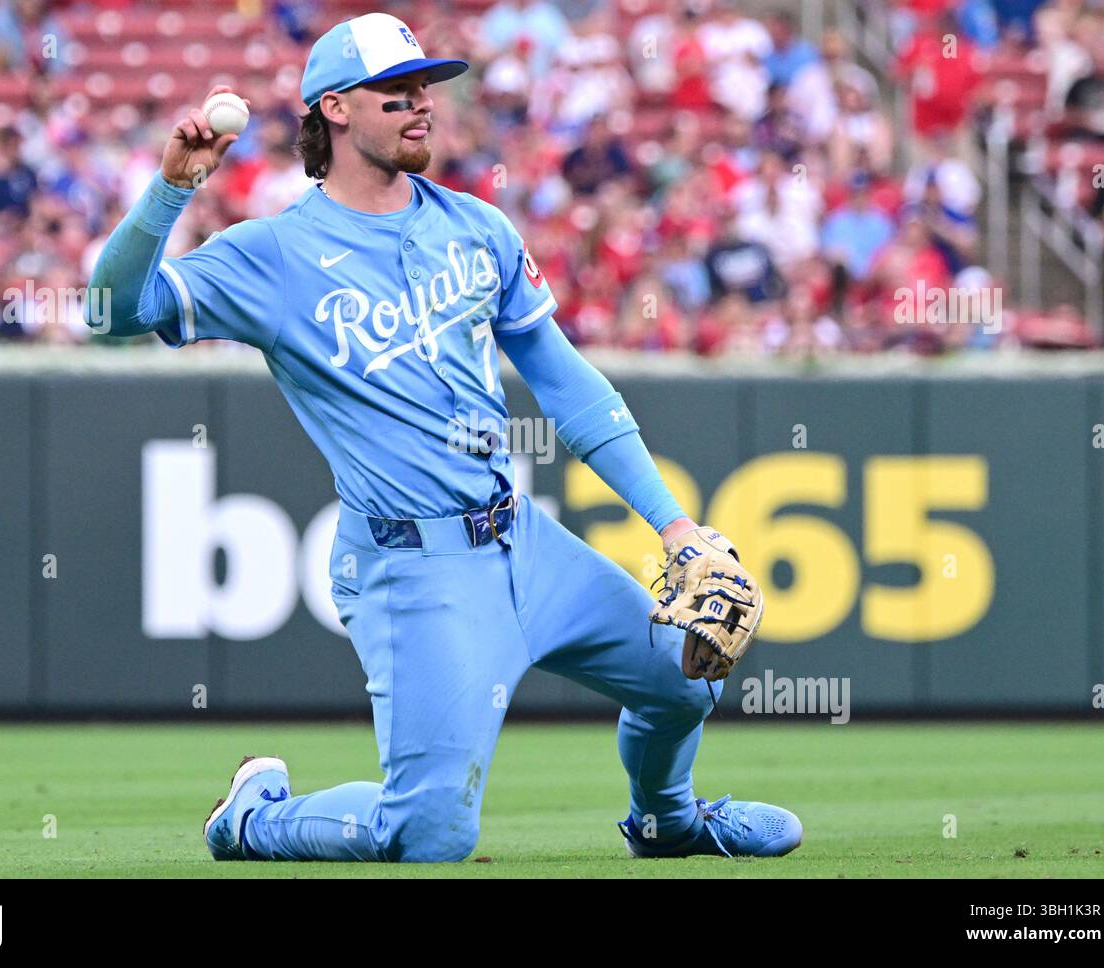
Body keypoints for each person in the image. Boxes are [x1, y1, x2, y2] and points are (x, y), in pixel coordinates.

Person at [86, 13, 802, 864]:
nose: (422, 103)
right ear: (337, 109)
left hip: (521, 537)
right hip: (412, 565)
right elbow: (111, 315)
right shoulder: (273, 256)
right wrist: (171, 191)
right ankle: (252, 817)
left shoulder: (477, 227)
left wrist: (676, 528)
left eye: (427, 85)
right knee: (430, 834)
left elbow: (567, 384)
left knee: (686, 672)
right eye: (398, 91)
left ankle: (668, 821)